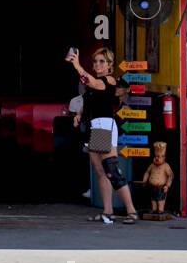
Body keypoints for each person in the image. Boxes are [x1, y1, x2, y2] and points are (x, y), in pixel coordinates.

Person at [66, 47, 139, 225]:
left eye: (102, 61)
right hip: (95, 127)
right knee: (100, 171)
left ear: (109, 65)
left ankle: (131, 211)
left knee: (111, 170)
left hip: (103, 126)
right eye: (96, 61)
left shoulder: (108, 81)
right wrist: (79, 115)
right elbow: (88, 101)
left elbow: (88, 81)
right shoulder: (96, 84)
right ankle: (108, 212)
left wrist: (77, 65)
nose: (97, 64)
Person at [141, 141, 173, 215]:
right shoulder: (152, 165)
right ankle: (154, 209)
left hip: (161, 187)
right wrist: (144, 180)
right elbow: (147, 172)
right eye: (156, 156)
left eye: (159, 157)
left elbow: (170, 176)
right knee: (153, 199)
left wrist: (167, 186)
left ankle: (160, 210)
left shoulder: (166, 166)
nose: (157, 158)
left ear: (164, 157)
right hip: (152, 186)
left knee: (160, 199)